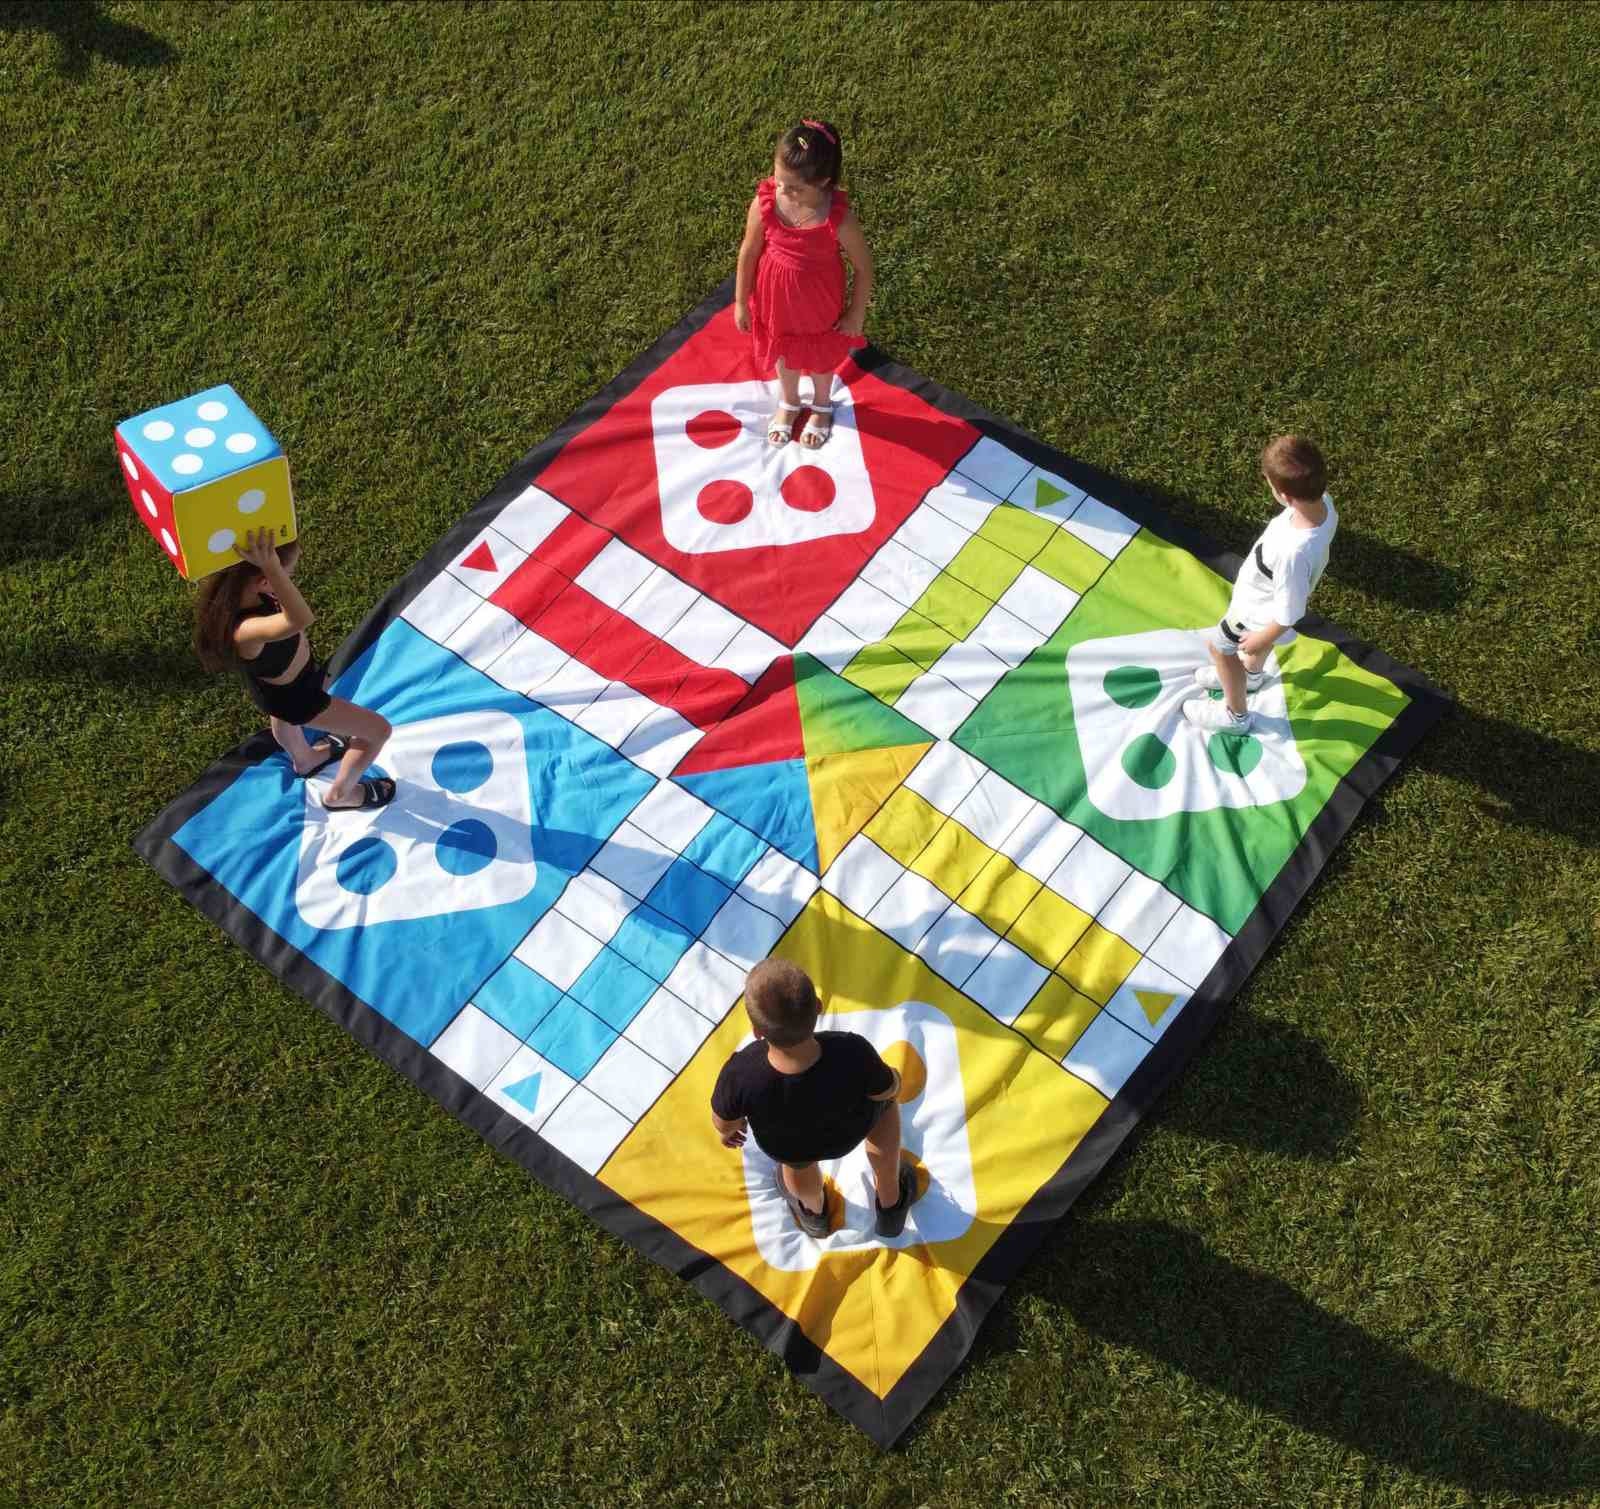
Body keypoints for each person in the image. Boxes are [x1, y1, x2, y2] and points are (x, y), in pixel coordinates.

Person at [711, 959, 918, 1240]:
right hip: (849, 1129)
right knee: (885, 1108)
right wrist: (894, 1084)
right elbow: (885, 1089)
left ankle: (813, 1213)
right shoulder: (851, 1049)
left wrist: (729, 1132)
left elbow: (724, 1121)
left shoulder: (740, 1073)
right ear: (818, 1007)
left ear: (757, 1030)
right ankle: (891, 1202)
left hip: (792, 1146)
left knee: (797, 1168)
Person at [192, 527, 395, 809]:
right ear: (264, 580)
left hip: (278, 688)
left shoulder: (239, 595)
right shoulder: (245, 630)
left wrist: (271, 565)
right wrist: (274, 567)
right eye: (289, 575)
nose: (289, 581)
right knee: (378, 731)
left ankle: (305, 759)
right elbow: (300, 619)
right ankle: (342, 794)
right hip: (299, 699)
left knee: (281, 716)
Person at [733, 117, 874, 449]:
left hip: (818, 300)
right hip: (773, 298)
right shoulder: (766, 202)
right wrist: (741, 301)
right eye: (780, 181)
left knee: (821, 354)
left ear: (824, 181)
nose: (784, 191)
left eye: (794, 187)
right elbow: (749, 252)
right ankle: (790, 400)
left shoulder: (836, 218)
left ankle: (822, 404)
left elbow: (864, 268)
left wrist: (855, 313)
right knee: (782, 348)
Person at [1184, 436, 1339, 734]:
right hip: (1268, 596)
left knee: (1219, 648)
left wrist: (1260, 638)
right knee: (1248, 654)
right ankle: (1251, 676)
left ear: (1283, 495)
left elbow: (1288, 613)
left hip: (1255, 611)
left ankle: (1235, 715)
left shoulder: (1291, 553)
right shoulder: (1325, 505)